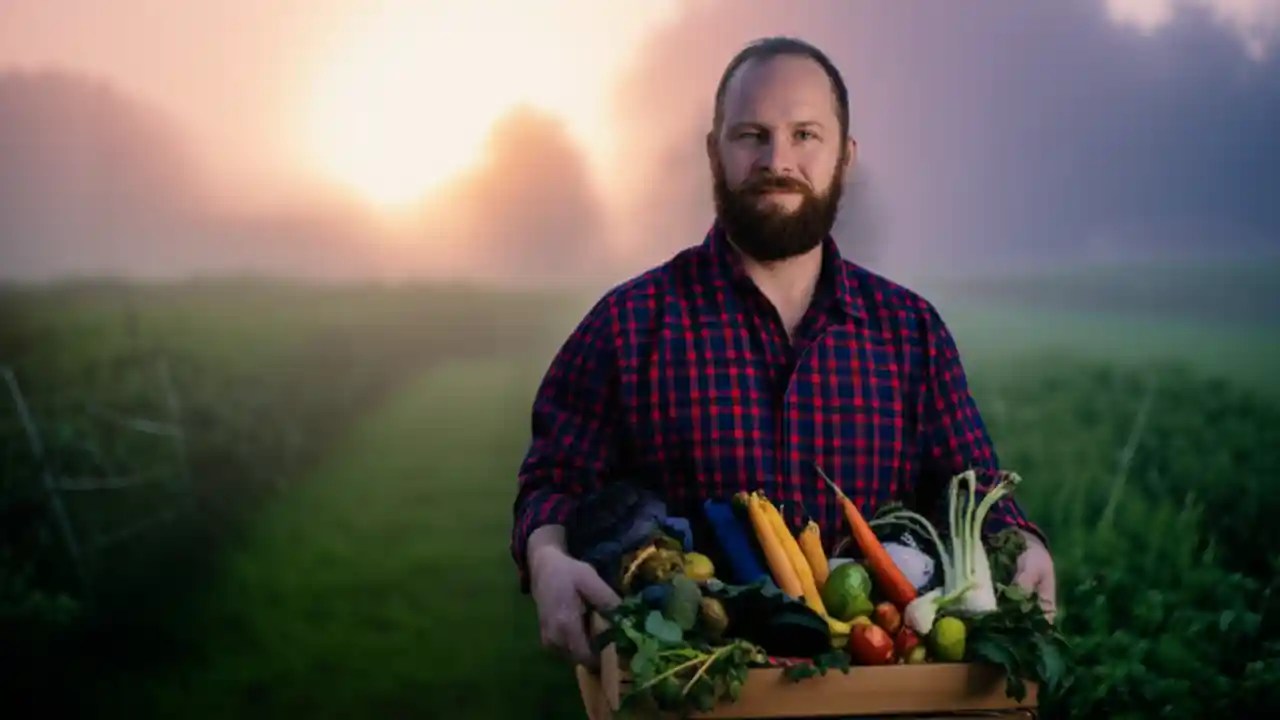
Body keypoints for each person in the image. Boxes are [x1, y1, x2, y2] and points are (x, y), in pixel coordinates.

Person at [510, 36, 1056, 671]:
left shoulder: (910, 334)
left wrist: (1023, 546)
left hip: (879, 695)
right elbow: (554, 483)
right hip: (693, 688)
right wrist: (548, 558)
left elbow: (977, 489)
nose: (778, 159)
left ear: (844, 158)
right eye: (751, 135)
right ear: (714, 151)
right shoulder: (628, 327)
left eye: (805, 135)